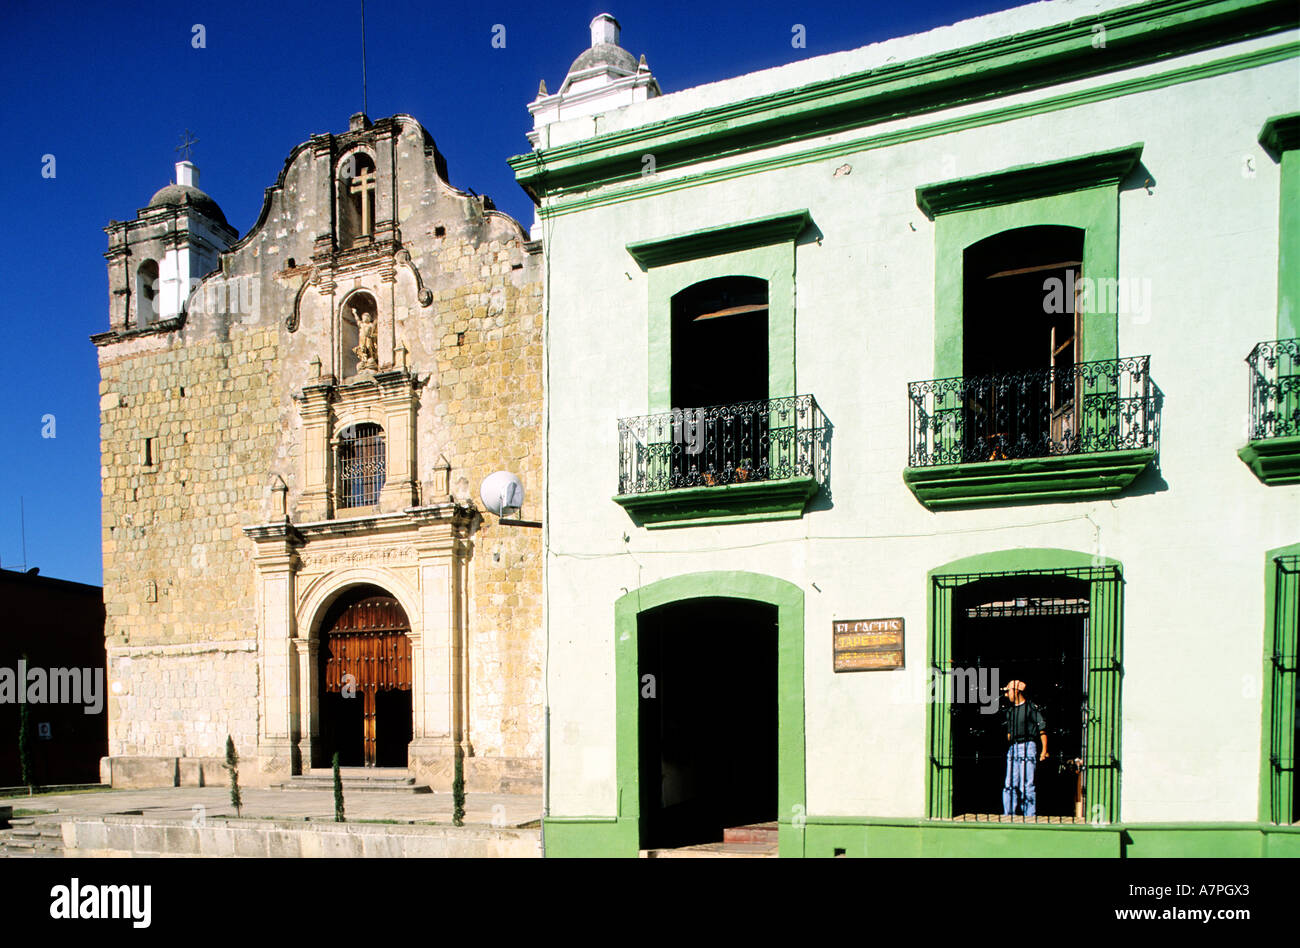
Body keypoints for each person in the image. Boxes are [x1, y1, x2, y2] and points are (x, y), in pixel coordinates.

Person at [1001, 679, 1047, 818]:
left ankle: (1030, 815)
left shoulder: (1030, 708)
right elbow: (1009, 733)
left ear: (1017, 691)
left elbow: (1042, 729)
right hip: (1013, 747)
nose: (1007, 694)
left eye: (1009, 691)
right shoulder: (1010, 711)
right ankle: (1008, 814)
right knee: (1009, 783)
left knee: (1026, 784)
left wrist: (1044, 749)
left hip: (1028, 746)